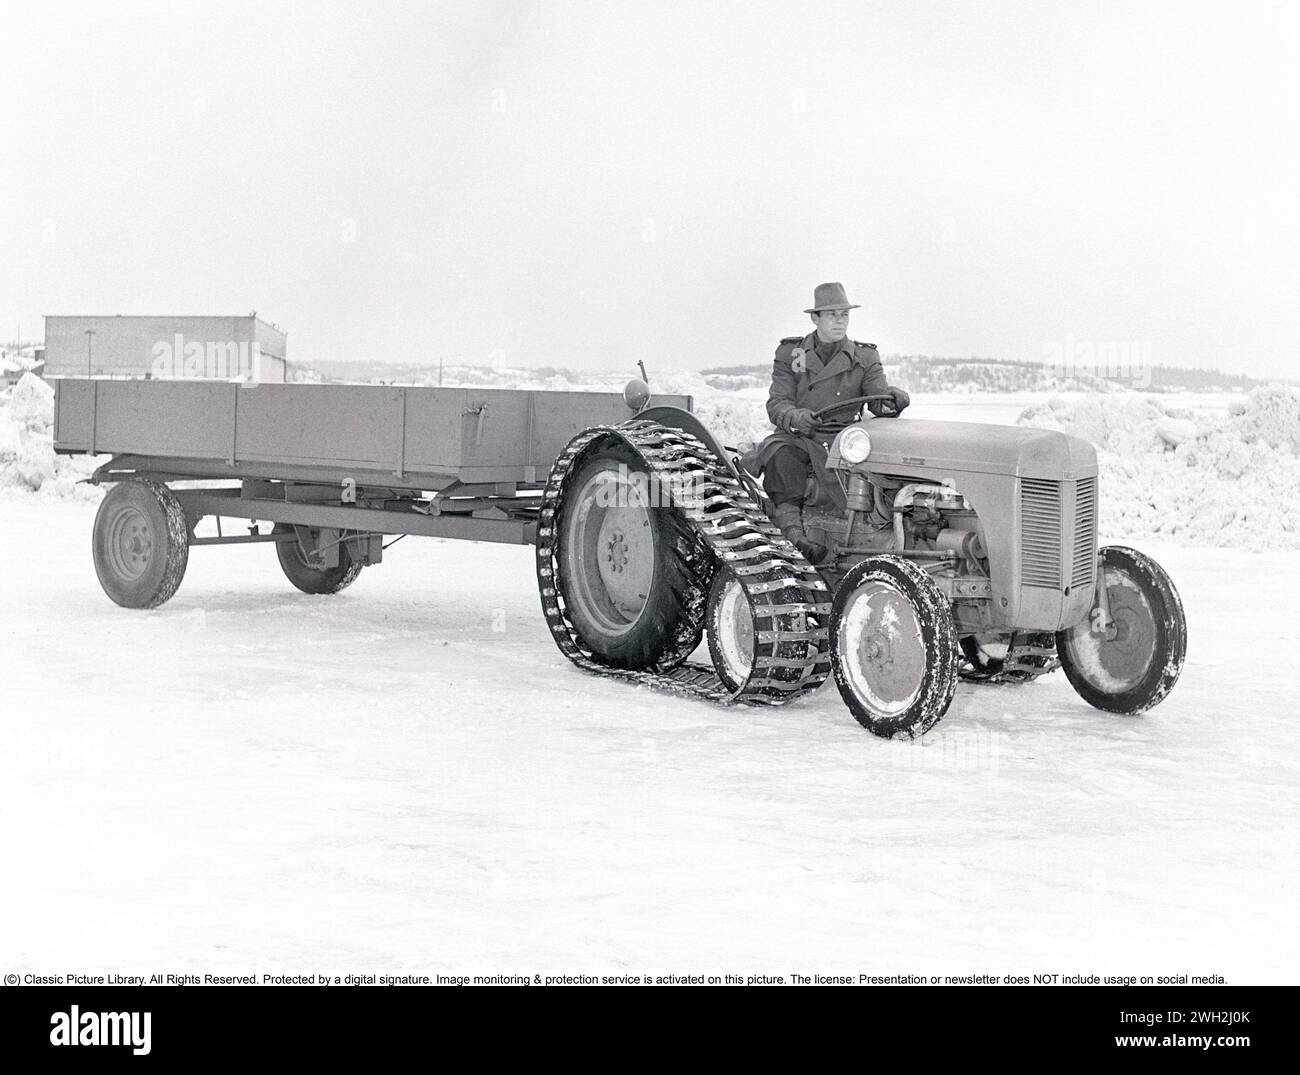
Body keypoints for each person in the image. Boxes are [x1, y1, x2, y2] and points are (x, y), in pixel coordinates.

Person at [745, 282, 910, 563]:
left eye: (844, 314)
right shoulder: (792, 354)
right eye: (831, 314)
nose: (839, 321)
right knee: (782, 455)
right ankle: (793, 533)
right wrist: (796, 417)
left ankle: (882, 534)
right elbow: (777, 403)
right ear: (815, 318)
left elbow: (875, 398)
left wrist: (890, 401)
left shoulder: (864, 356)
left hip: (845, 438)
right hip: (800, 434)